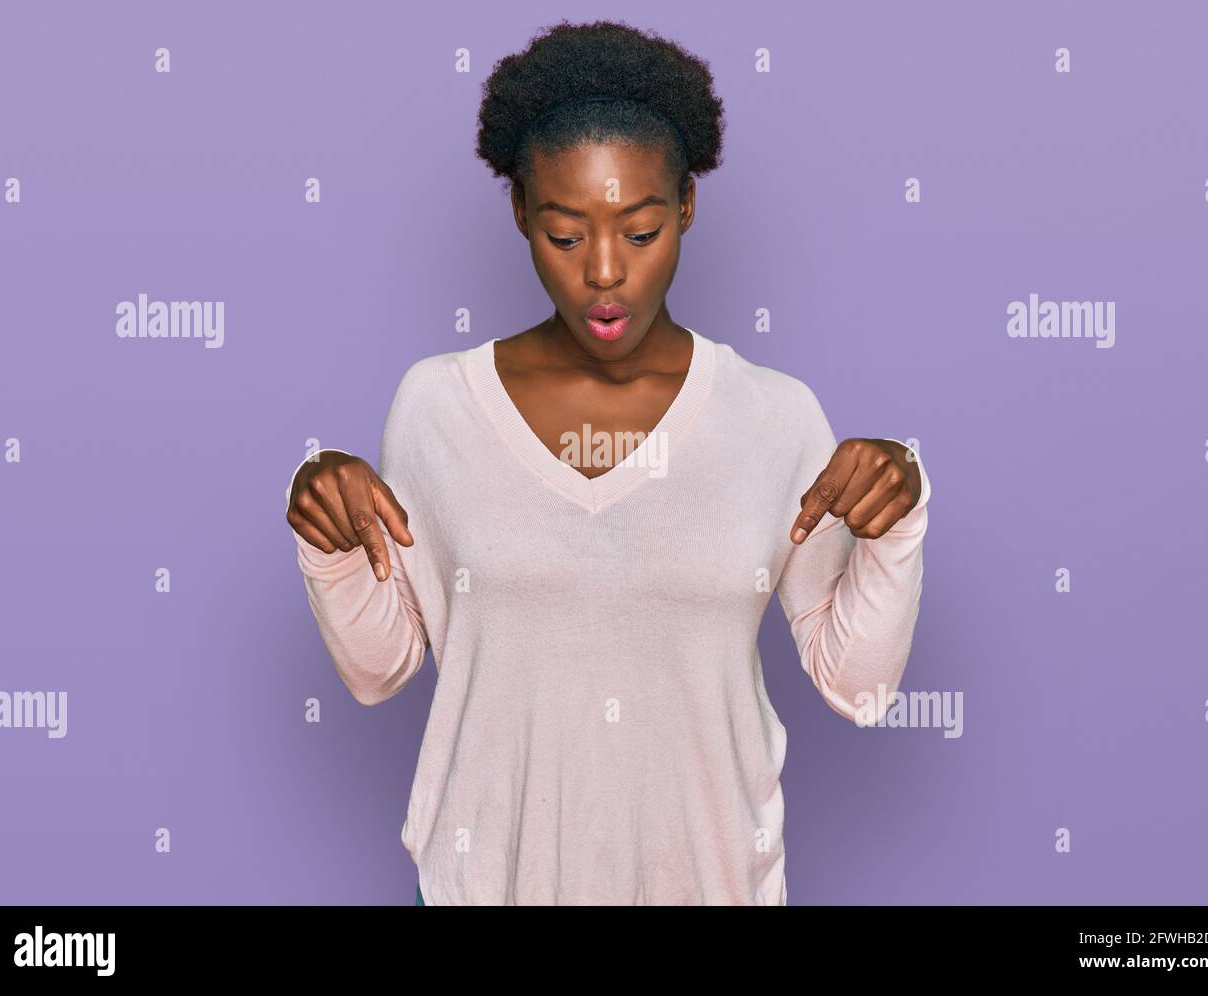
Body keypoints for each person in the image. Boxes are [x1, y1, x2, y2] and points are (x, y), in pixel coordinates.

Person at [284, 18, 931, 906]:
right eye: (562, 234)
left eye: (639, 231)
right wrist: (325, 530)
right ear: (519, 212)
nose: (602, 272)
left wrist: (898, 522)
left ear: (687, 206)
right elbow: (378, 666)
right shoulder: (438, 407)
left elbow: (857, 685)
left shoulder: (775, 417)